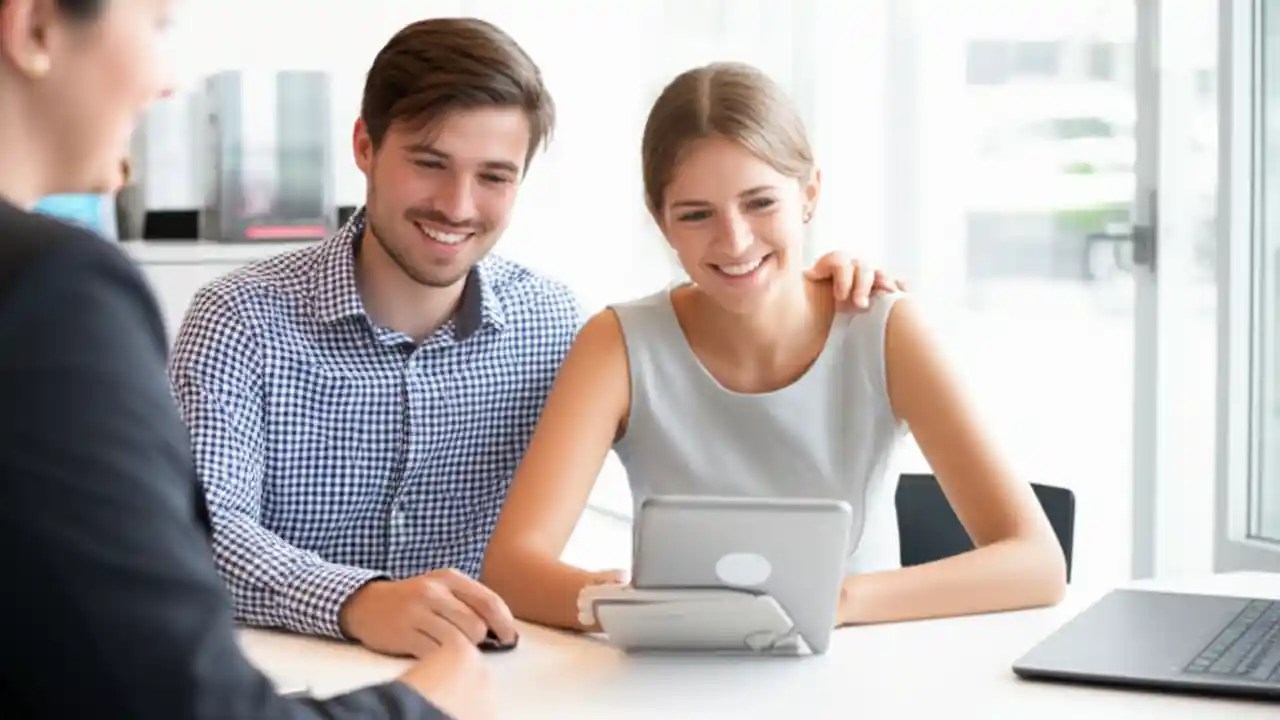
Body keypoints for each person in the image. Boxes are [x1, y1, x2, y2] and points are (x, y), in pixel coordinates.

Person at [167, 16, 904, 659]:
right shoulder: (240, 321)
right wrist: (360, 602)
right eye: (429, 164)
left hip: (484, 681)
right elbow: (198, 536)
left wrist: (811, 287)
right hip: (277, 684)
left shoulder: (553, 325)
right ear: (365, 146)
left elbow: (698, 361)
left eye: (494, 176)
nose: (458, 205)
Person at [0, 1, 490, 717]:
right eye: (156, 25)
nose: (168, 83)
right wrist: (425, 705)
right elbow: (182, 704)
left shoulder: (552, 318)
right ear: (37, 27)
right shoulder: (51, 291)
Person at [480, 61, 1068, 632]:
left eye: (760, 202)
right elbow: (512, 567)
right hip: (681, 674)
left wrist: (837, 600)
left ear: (809, 193)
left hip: (862, 671)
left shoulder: (883, 328)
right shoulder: (617, 345)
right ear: (661, 222)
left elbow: (1036, 562)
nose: (734, 240)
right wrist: (627, 604)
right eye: (695, 214)